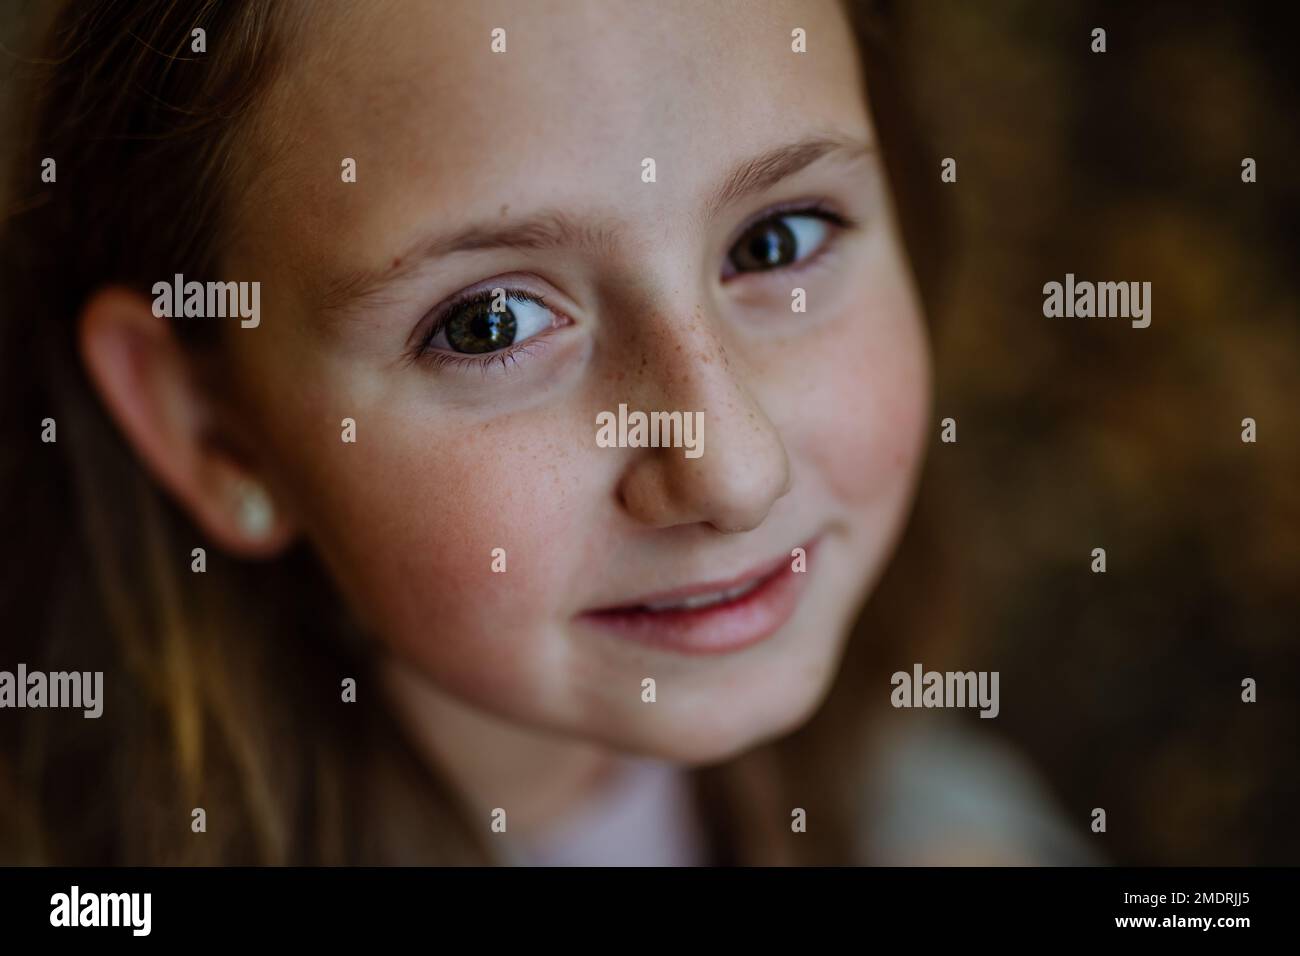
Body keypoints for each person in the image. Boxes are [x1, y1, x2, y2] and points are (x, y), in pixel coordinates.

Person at [0, 0, 1084, 865]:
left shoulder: (912, 803)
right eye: (489, 324)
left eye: (775, 240)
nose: (732, 469)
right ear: (212, 429)